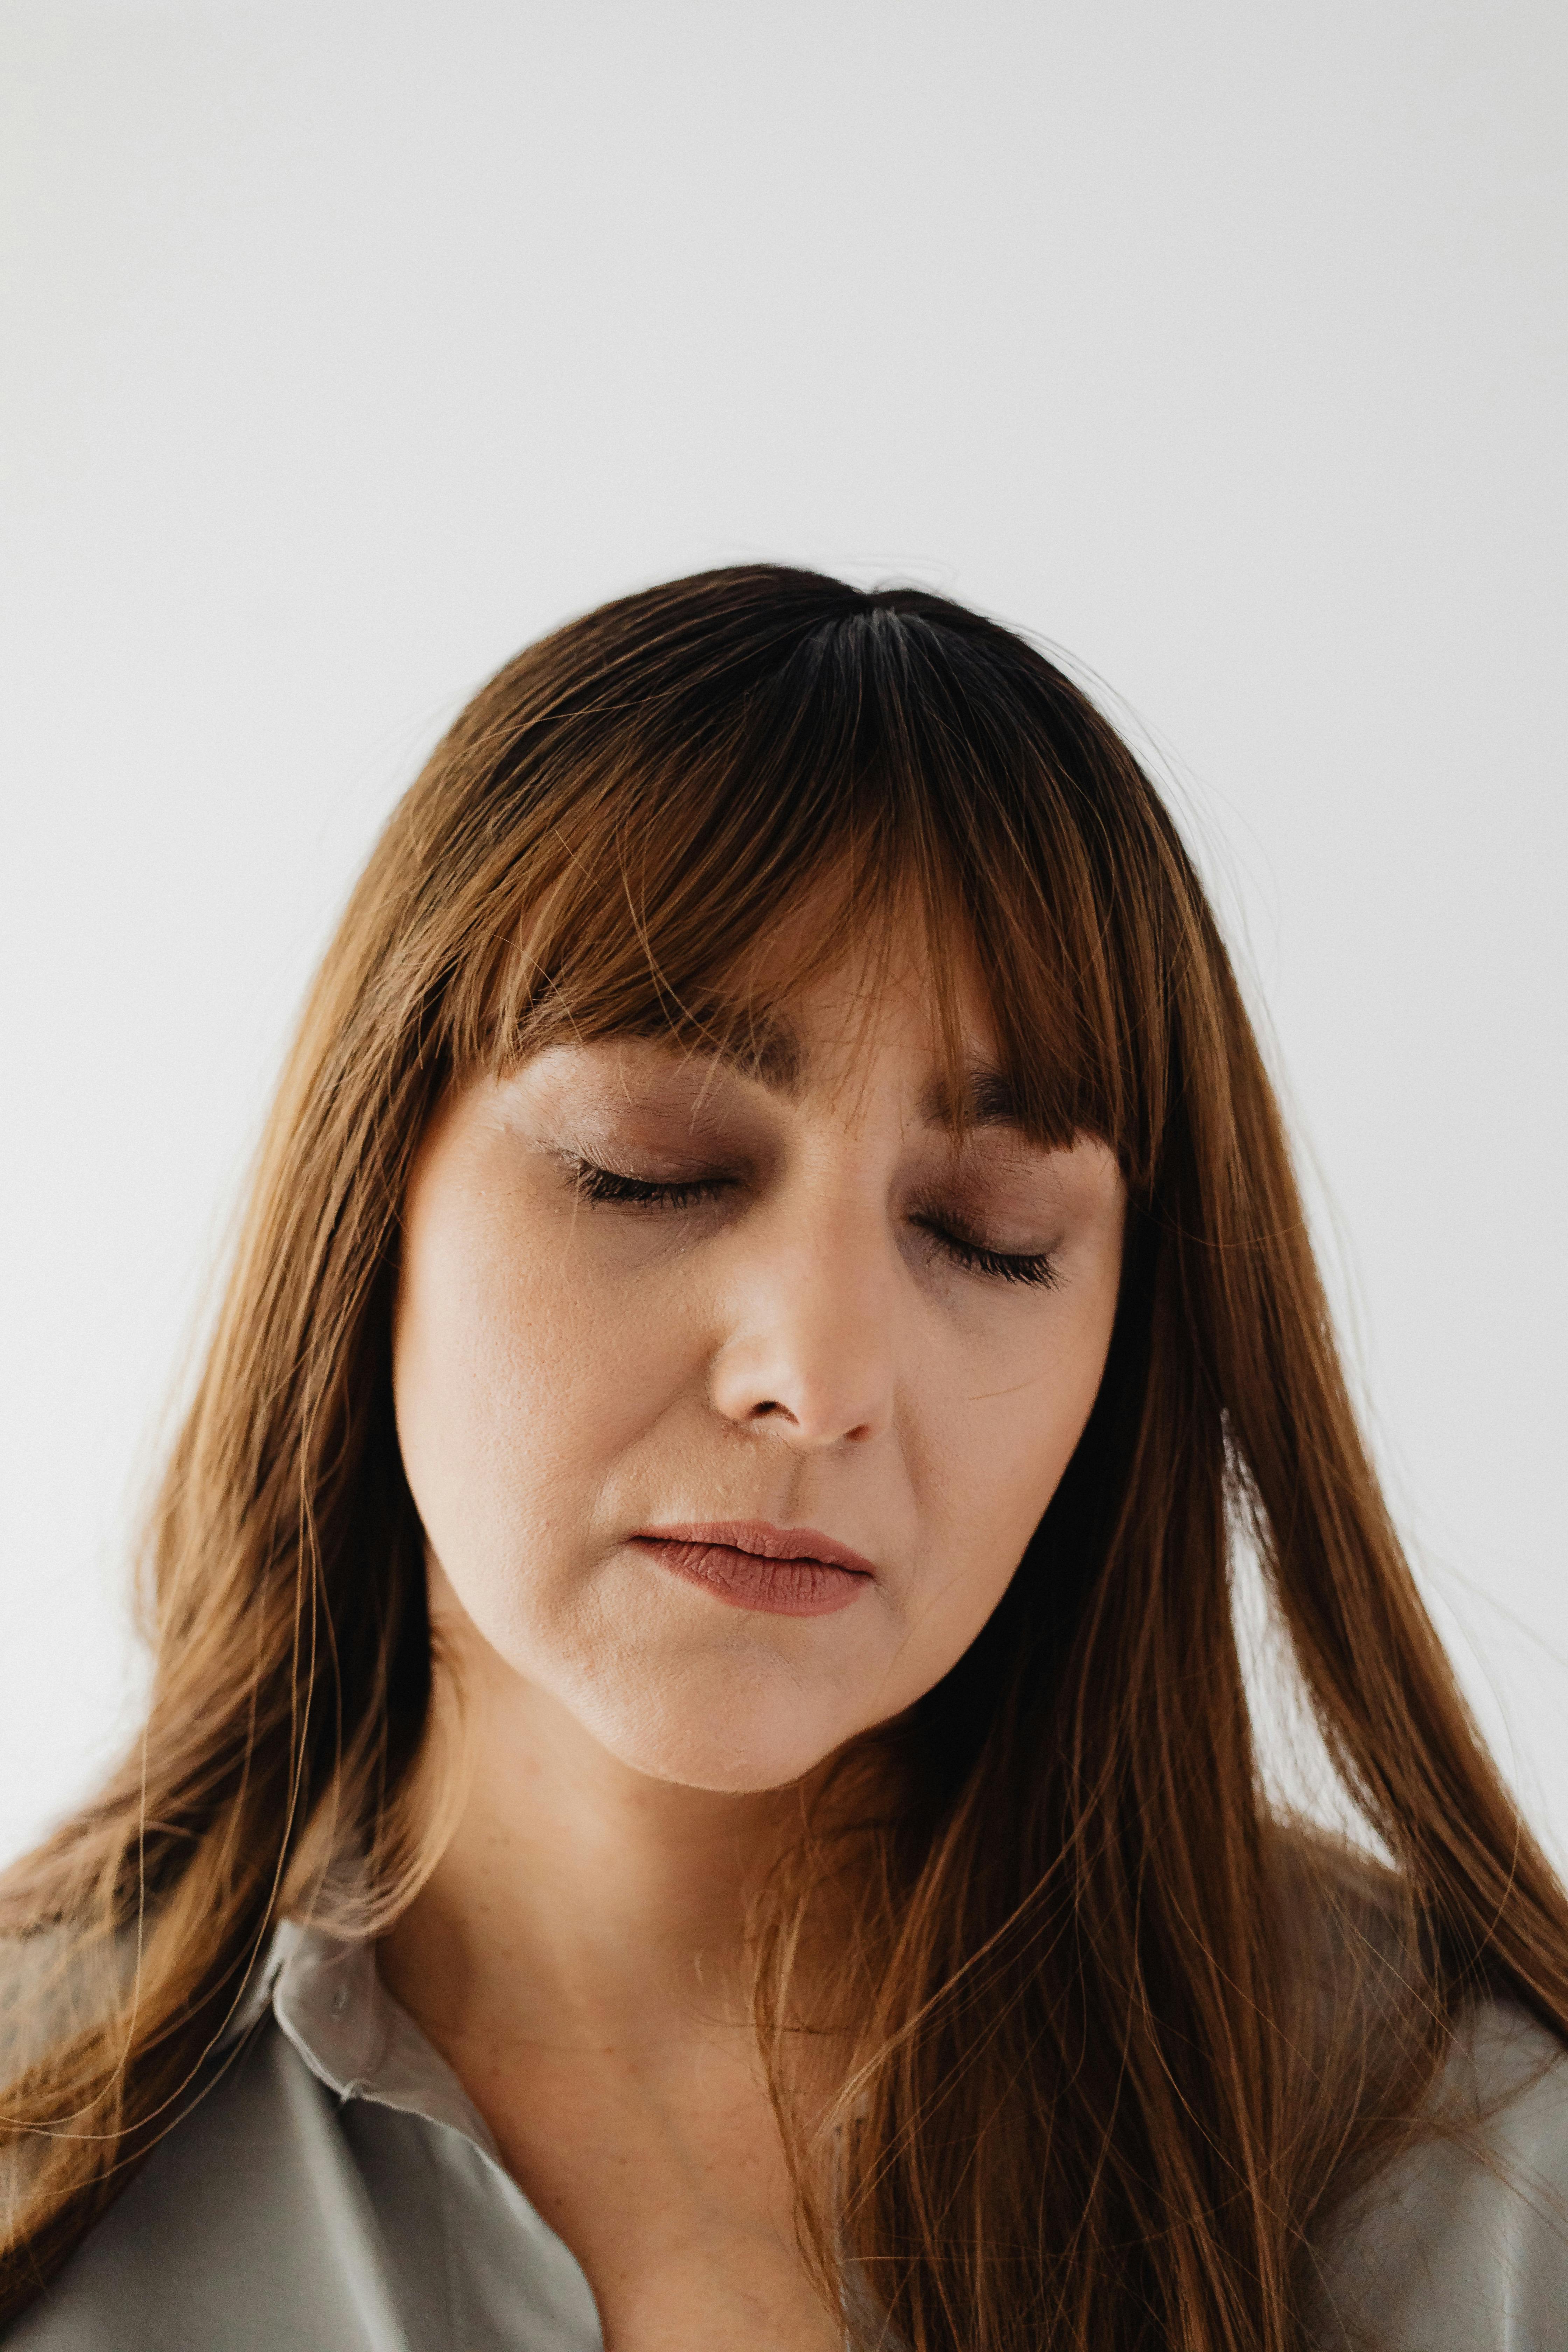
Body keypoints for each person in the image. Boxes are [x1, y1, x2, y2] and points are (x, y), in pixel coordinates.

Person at [2, 567, 1565, 2352]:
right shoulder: (38, 2157)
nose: (815, 1381)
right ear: (370, 1201)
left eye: (985, 1235)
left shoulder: (1487, 2181)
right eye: (648, 1167)